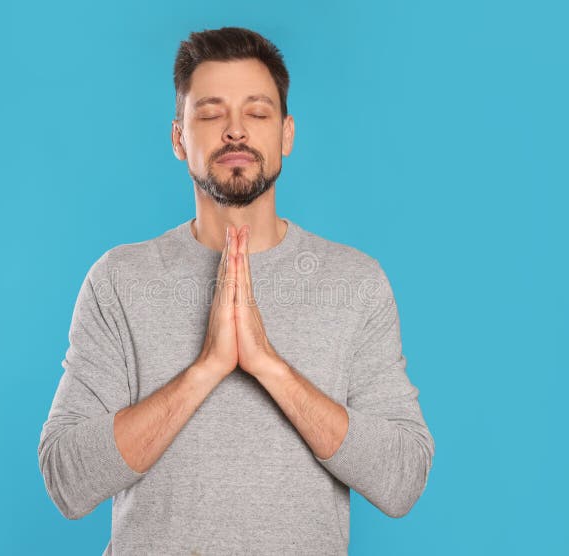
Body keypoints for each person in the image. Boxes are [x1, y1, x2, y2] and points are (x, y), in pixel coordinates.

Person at [38, 26, 435, 555]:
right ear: (179, 137)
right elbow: (67, 481)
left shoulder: (354, 283)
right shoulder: (119, 280)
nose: (234, 131)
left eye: (257, 112)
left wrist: (269, 366)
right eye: (210, 113)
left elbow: (402, 479)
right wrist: (206, 369)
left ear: (286, 134)